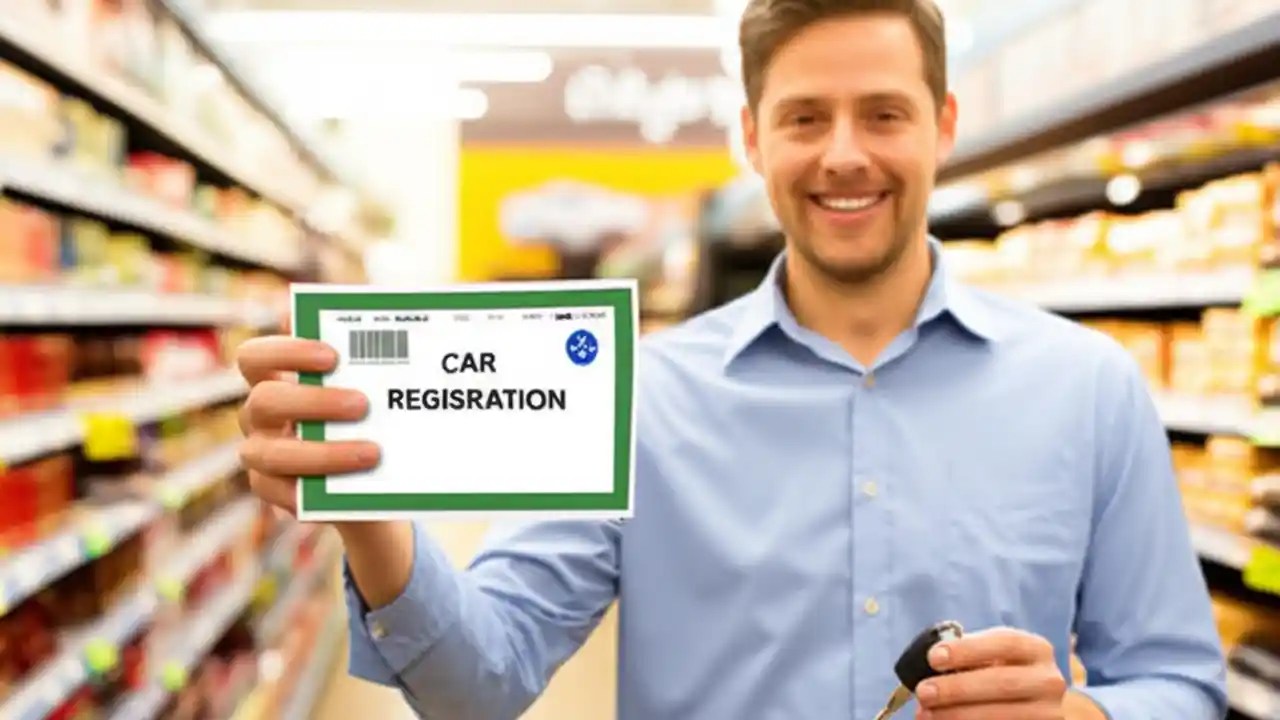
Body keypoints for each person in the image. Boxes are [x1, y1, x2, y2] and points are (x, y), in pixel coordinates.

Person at [235, 1, 1230, 718]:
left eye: (882, 112)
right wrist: (366, 514)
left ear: (943, 127)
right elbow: (481, 684)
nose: (843, 154)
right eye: (804, 118)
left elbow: (1177, 684)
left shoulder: (1087, 388)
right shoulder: (634, 397)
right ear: (752, 138)